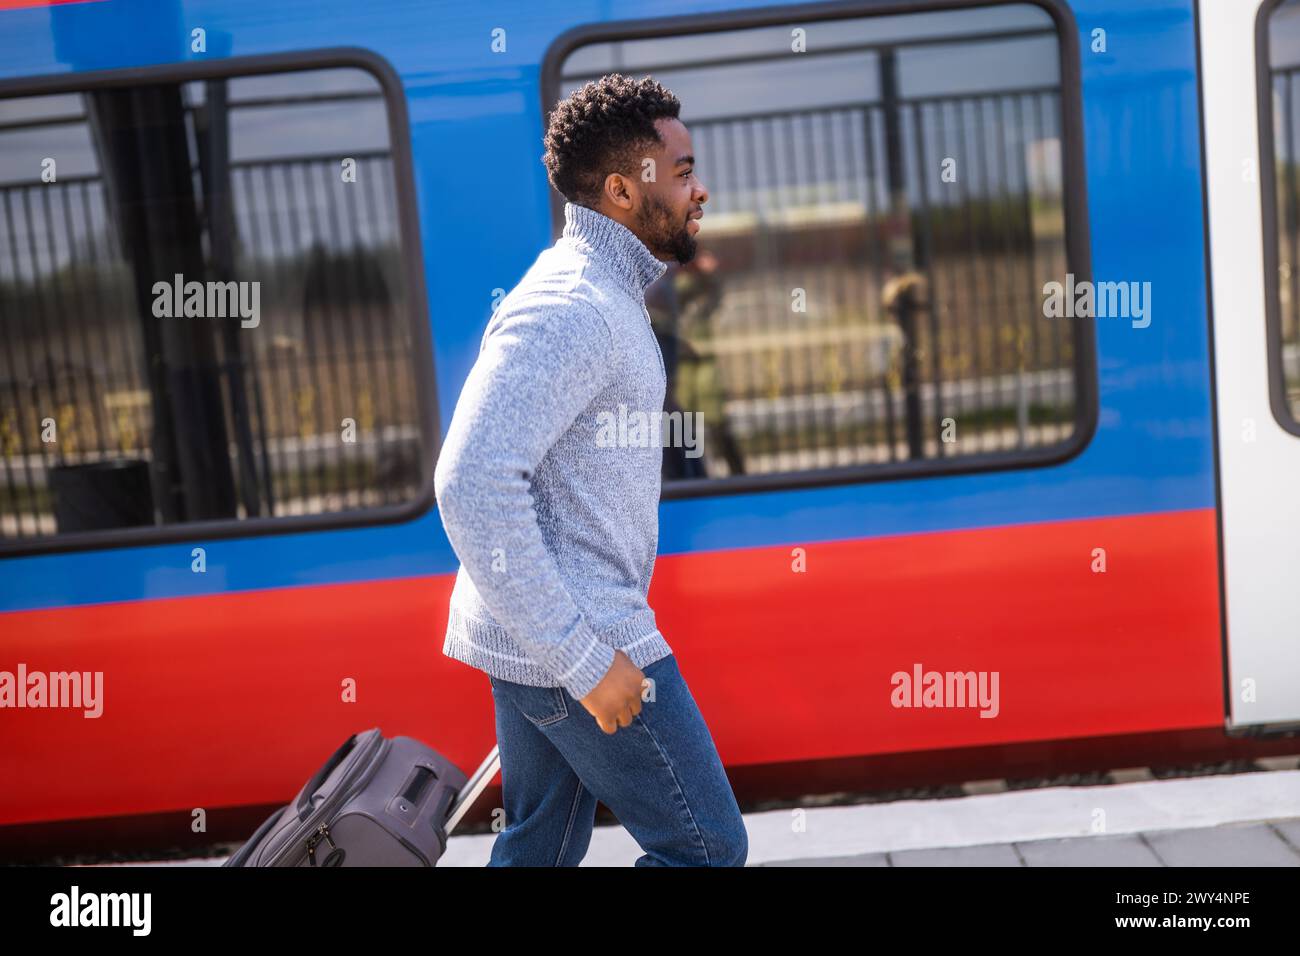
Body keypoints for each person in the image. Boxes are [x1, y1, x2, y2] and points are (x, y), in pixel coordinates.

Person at [433, 74, 748, 867]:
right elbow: (469, 482)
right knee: (706, 848)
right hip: (580, 633)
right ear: (620, 190)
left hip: (539, 622)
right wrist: (583, 659)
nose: (699, 190)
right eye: (680, 173)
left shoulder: (604, 291)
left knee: (537, 849)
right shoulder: (574, 305)